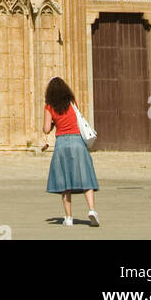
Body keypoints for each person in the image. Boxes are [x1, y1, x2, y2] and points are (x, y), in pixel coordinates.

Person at [41, 76, 100, 227]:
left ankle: (68, 217)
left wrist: (54, 123)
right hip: (77, 141)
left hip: (61, 143)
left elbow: (46, 129)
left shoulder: (49, 106)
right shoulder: (71, 102)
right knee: (85, 176)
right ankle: (92, 210)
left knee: (64, 180)